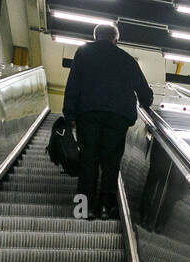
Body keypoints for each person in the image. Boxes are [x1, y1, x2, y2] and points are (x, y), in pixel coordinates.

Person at [62, 22, 153, 219]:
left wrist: (69, 116)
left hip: (88, 115)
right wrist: (146, 101)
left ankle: (82, 210)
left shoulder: (83, 53)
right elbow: (145, 94)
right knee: (111, 164)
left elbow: (73, 85)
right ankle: (105, 208)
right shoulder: (127, 60)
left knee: (88, 161)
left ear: (95, 36)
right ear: (116, 39)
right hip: (117, 119)